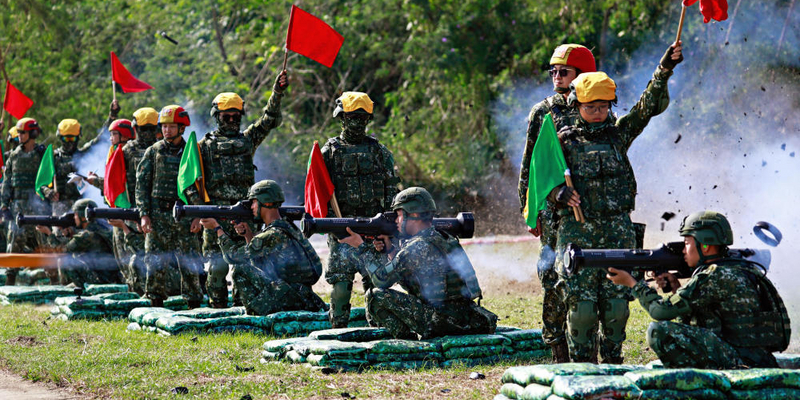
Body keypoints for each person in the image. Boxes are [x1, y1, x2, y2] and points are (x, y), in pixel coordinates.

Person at [551, 41, 683, 363]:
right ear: (577, 104)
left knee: (615, 309)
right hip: (577, 235)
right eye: (590, 107)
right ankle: (581, 370)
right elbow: (540, 178)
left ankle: (612, 366)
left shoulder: (618, 134)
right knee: (581, 311)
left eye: (603, 107)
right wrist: (558, 194)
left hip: (617, 233)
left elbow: (646, 107)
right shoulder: (559, 140)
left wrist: (664, 68)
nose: (597, 114)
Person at [607, 211, 789, 369]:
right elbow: (702, 318)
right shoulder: (739, 269)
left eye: (687, 242)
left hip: (738, 360)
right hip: (757, 358)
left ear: (705, 245)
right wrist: (676, 290)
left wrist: (633, 284)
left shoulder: (714, 275)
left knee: (658, 331)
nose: (683, 251)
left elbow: (660, 312)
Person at [517, 44, 596, 362]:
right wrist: (529, 207)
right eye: (553, 72)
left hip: (586, 209)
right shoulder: (543, 111)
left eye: (564, 71)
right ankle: (557, 351)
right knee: (551, 276)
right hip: (552, 212)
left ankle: (589, 351)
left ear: (582, 75)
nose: (556, 77)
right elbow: (531, 164)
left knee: (588, 275)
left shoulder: (596, 106)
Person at [183, 71, 289, 309]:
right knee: (218, 267)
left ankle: (245, 310)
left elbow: (269, 119)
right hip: (216, 216)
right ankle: (217, 311)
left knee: (247, 266)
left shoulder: (247, 140)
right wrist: (200, 212)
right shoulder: (203, 146)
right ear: (216, 116)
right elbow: (189, 180)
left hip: (245, 215)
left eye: (235, 116)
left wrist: (278, 93)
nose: (231, 120)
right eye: (226, 116)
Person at [338, 187, 497, 339]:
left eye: (399, 215)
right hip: (467, 317)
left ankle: (407, 343)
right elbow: (413, 276)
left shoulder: (417, 247)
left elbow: (381, 280)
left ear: (413, 214)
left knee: (375, 296)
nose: (397, 222)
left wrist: (361, 247)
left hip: (443, 321)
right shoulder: (443, 237)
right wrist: (391, 251)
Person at [321, 91, 401, 328]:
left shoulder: (379, 152)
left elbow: (391, 192)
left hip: (373, 228)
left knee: (376, 284)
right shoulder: (329, 153)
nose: (356, 122)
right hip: (341, 229)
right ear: (342, 118)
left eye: (361, 117)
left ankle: (377, 332)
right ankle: (337, 332)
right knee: (340, 285)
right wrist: (330, 225)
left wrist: (388, 231)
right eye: (352, 117)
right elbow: (319, 193)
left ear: (368, 119)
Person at [199, 180, 326, 316]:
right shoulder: (286, 226)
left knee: (239, 269)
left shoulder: (272, 235)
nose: (251, 207)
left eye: (253, 202)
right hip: (301, 294)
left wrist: (217, 229)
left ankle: (255, 311)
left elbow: (232, 256)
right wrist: (248, 235)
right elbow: (259, 259)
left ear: (266, 202)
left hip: (291, 297)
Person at [135, 105, 203, 308]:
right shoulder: (153, 152)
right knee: (154, 262)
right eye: (164, 126)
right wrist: (144, 215)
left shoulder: (192, 152)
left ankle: (194, 303)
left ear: (182, 128)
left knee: (190, 261)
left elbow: (198, 184)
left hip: (184, 214)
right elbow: (142, 185)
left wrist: (197, 215)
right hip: (158, 215)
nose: (167, 131)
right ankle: (155, 303)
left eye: (172, 126)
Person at [42, 100, 119, 217]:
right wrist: (48, 192)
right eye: (65, 139)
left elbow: (100, 138)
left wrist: (112, 116)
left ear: (78, 138)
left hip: (82, 206)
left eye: (72, 139)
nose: (69, 143)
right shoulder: (53, 158)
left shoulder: (83, 154)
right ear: (60, 138)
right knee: (60, 235)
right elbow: (40, 182)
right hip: (60, 207)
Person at [1, 118, 49, 285]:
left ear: (33, 134)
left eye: (23, 132)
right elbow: (7, 183)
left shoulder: (42, 155)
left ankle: (56, 283)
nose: (19, 135)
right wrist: (4, 206)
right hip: (18, 209)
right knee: (13, 245)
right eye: (19, 132)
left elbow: (49, 178)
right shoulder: (13, 156)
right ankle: (10, 283)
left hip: (39, 209)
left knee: (46, 245)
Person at [36, 199, 122, 287]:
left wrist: (49, 234)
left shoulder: (87, 235)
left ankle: (77, 289)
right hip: (109, 276)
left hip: (101, 280)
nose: (74, 218)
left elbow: (61, 251)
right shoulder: (100, 227)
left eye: (76, 215)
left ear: (83, 217)